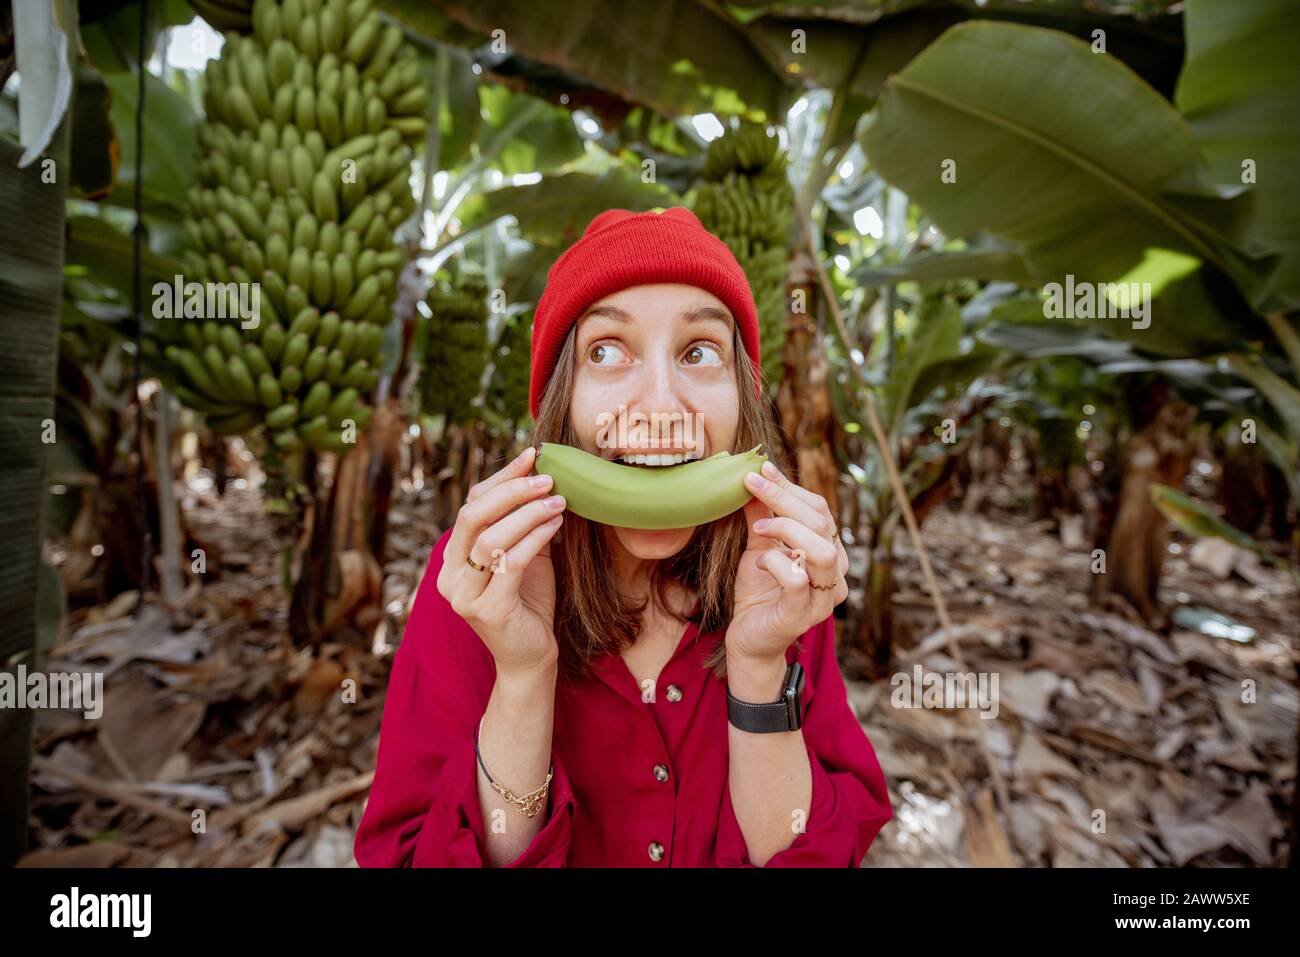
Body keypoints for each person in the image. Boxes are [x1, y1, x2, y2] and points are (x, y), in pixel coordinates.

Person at [354, 207, 893, 867]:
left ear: (743, 400)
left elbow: (815, 851)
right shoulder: (480, 575)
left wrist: (757, 670)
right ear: (560, 400)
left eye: (699, 351)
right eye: (606, 350)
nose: (660, 407)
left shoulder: (782, 573)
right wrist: (524, 678)